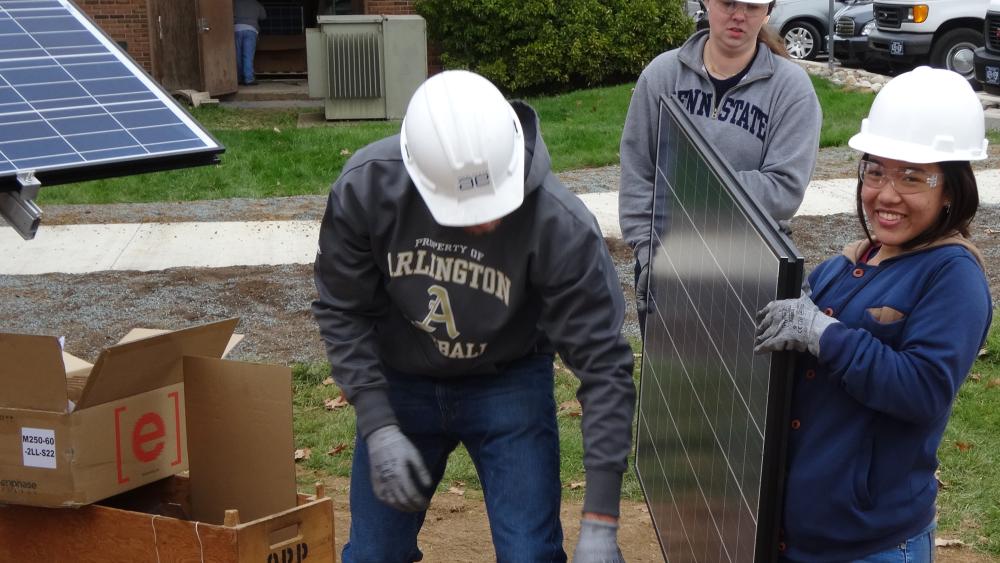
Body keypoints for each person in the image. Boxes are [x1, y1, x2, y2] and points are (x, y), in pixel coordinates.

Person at [312, 70, 636, 562]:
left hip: (508, 382)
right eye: (466, 210)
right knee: (374, 554)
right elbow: (342, 308)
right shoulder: (368, 188)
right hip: (401, 380)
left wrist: (600, 520)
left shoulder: (561, 226)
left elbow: (604, 367)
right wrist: (377, 423)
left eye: (496, 203)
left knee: (531, 554)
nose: (486, 220)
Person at [754, 66, 991, 562]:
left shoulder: (952, 276)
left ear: (950, 189)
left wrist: (825, 333)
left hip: (869, 546)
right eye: (876, 169)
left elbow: (922, 389)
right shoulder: (852, 261)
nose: (886, 193)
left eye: (912, 176)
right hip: (794, 534)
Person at [619, 0, 822, 327]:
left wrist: (691, 184)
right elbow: (638, 173)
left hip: (750, 263)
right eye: (728, 3)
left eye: (752, 7)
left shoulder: (792, 90)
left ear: (768, 11)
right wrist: (649, 255)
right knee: (671, 375)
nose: (739, 15)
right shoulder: (662, 75)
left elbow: (784, 189)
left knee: (738, 377)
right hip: (667, 258)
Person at [233, 0, 266, 86]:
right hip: (251, 29)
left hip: (237, 28)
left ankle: (239, 78)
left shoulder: (235, 2)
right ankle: (249, 79)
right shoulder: (256, 3)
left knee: (238, 55)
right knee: (248, 56)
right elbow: (263, 16)